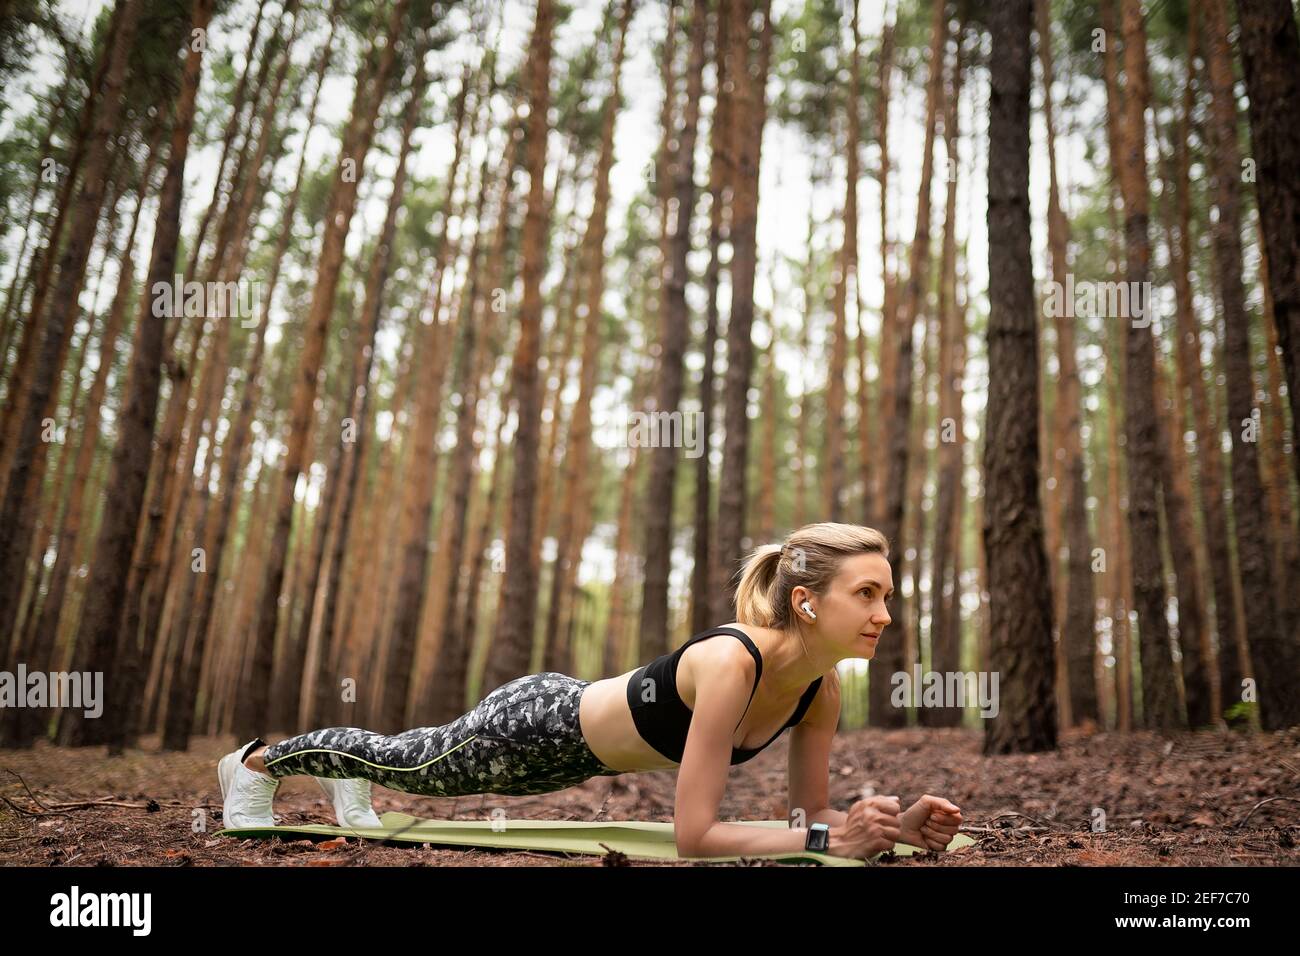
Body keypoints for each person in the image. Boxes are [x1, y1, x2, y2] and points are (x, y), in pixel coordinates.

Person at [218, 521, 963, 861]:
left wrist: (892, 827)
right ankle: (256, 765)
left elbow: (810, 815)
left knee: (399, 764)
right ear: (806, 602)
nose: (884, 615)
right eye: (867, 594)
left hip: (578, 757)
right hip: (531, 727)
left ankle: (349, 783)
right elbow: (695, 838)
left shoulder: (819, 691)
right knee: (409, 762)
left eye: (886, 596)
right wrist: (829, 837)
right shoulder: (733, 663)